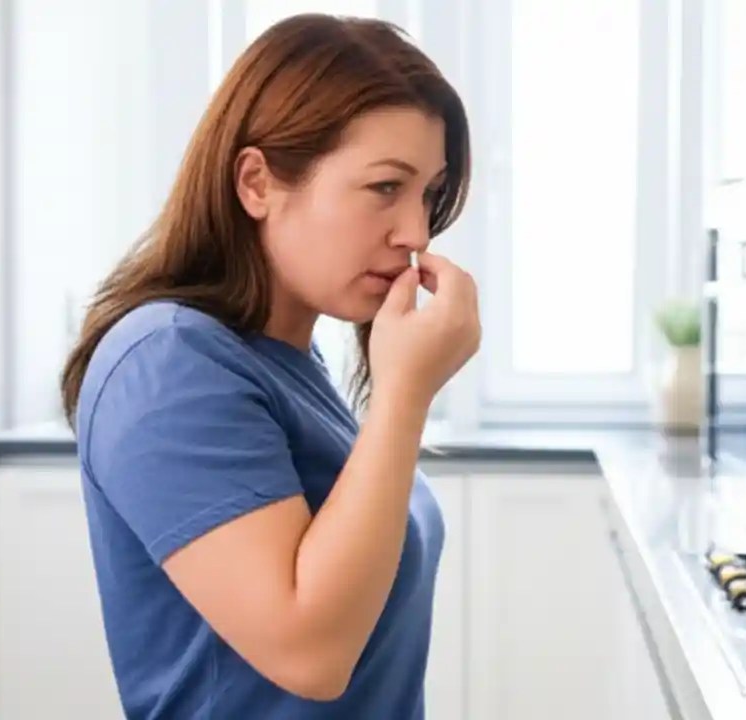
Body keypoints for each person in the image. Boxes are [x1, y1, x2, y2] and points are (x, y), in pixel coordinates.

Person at [59, 13, 480, 719]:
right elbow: (310, 655)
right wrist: (405, 394)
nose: (415, 232)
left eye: (428, 196)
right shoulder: (165, 363)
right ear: (256, 183)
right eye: (385, 187)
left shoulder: (290, 362)